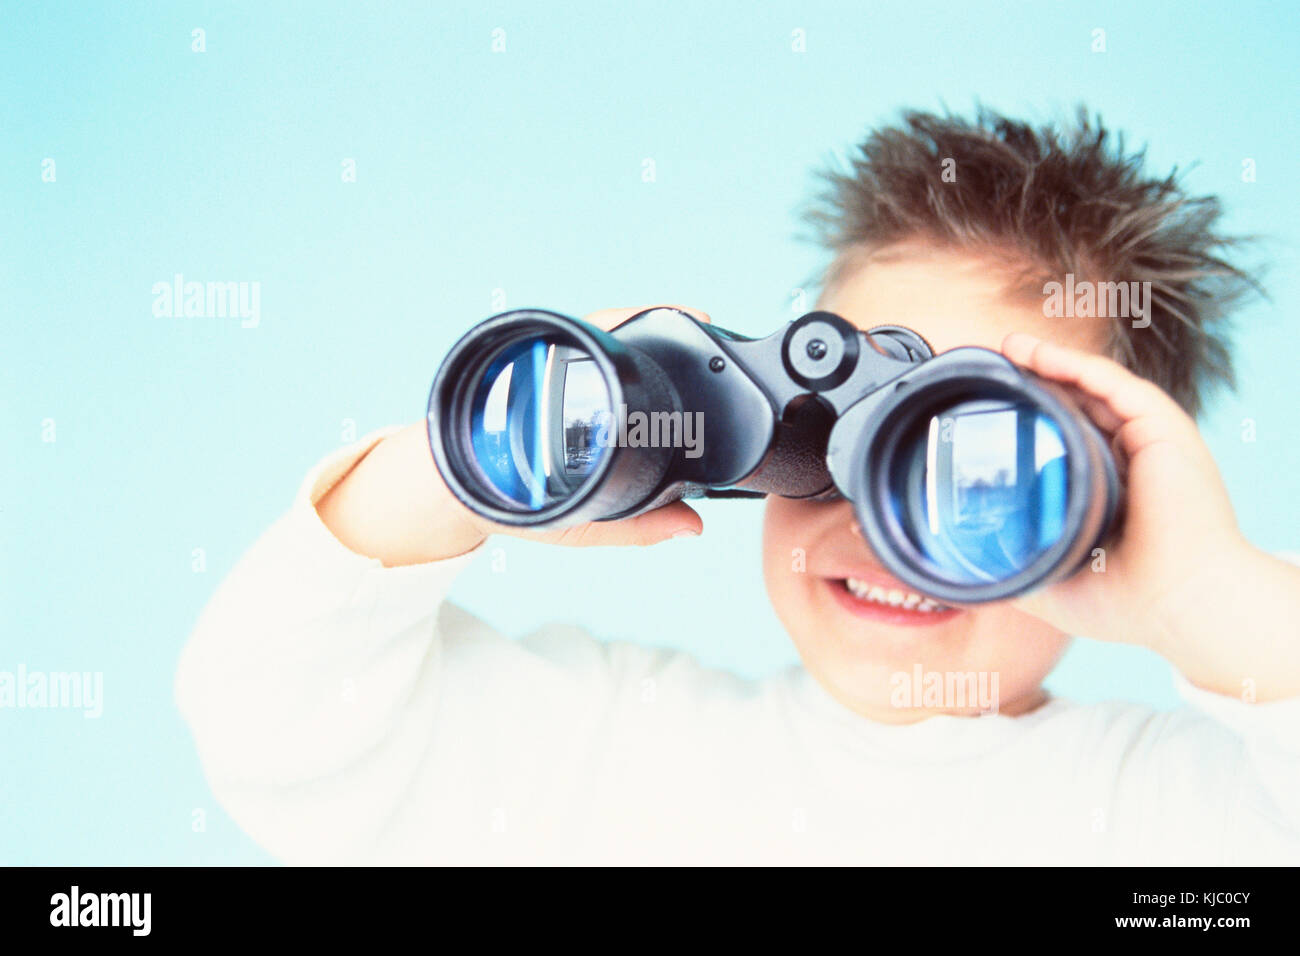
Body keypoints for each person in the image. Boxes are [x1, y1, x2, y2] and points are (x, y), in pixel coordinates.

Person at [176, 109, 1300, 864]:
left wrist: (1205, 591)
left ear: (1113, 497)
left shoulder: (1165, 821)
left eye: (964, 455)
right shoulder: (613, 747)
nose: (876, 520)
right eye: (836, 443)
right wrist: (469, 464)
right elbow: (270, 718)